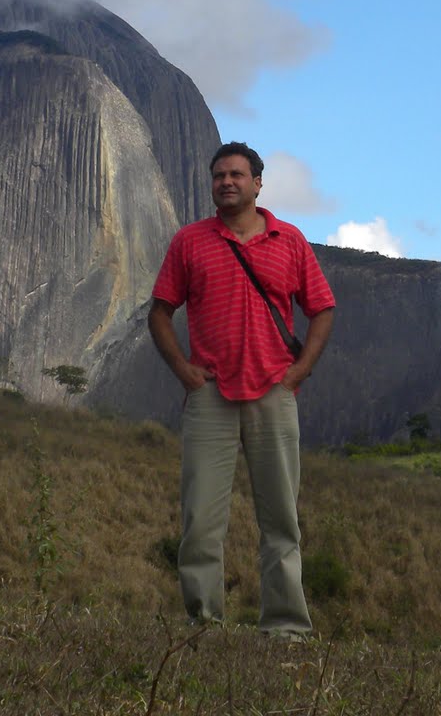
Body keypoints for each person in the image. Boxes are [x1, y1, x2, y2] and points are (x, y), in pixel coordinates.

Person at [148, 141, 335, 638]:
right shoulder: (189, 241)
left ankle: (286, 630)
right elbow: (159, 312)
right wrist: (183, 370)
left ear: (257, 183)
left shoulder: (289, 239)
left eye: (236, 175)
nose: (226, 182)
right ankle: (203, 627)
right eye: (218, 176)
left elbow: (322, 308)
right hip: (210, 395)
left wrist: (300, 371)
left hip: (274, 391)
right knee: (200, 521)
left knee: (281, 521)